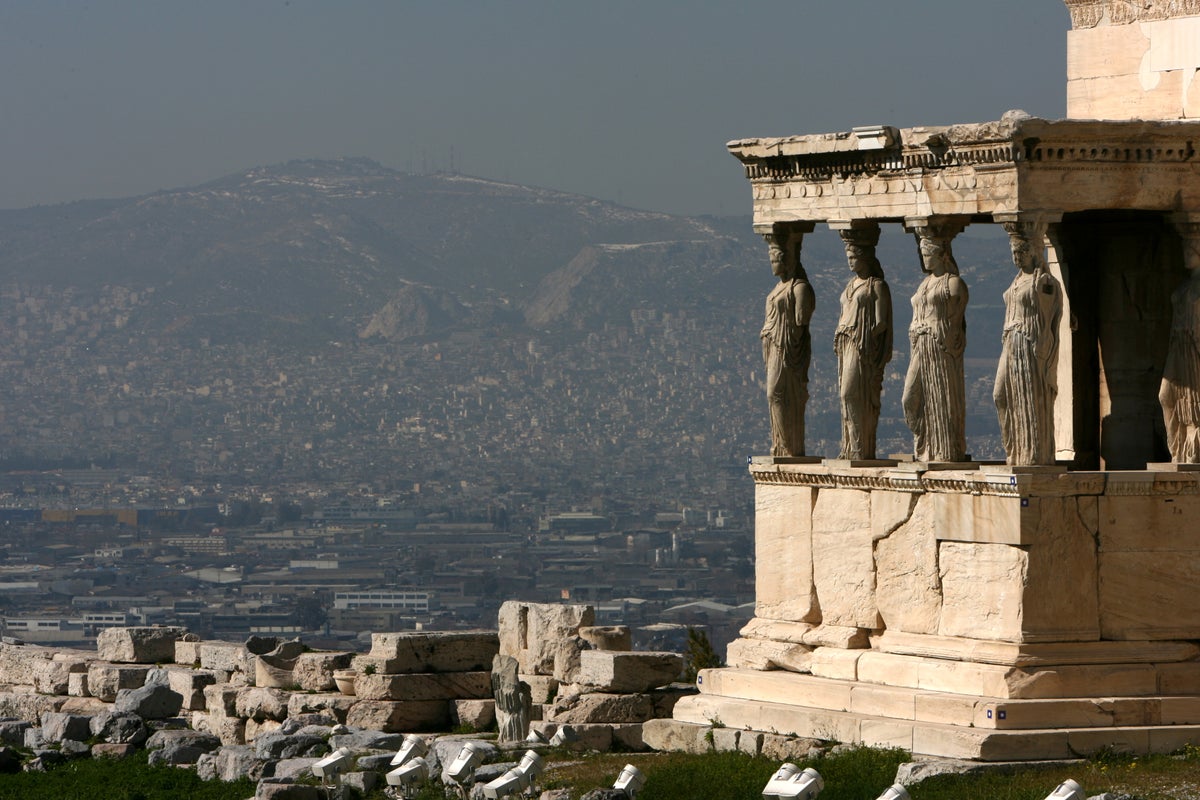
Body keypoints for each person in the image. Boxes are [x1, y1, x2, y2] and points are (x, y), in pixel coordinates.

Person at [994, 222, 1062, 465]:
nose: (1016, 257)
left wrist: (1043, 347)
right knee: (1000, 395)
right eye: (1014, 252)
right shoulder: (1016, 281)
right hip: (1011, 342)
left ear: (1033, 252)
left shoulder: (1043, 282)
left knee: (1031, 398)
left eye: (1020, 252)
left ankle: (1033, 454)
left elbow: (1049, 318)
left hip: (1030, 344)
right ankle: (1014, 450)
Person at [902, 232, 969, 462]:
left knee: (942, 398)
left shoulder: (954, 284)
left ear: (943, 255)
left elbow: (958, 323)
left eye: (929, 254)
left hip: (940, 348)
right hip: (920, 346)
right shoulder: (924, 284)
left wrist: (948, 339)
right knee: (909, 399)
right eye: (923, 254)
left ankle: (944, 448)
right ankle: (925, 442)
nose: (925, 259)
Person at [835, 230, 892, 460]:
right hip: (845, 344)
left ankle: (861, 448)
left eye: (854, 257)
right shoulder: (850, 285)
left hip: (862, 345)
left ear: (865, 257)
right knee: (844, 396)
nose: (850, 261)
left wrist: (864, 338)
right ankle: (849, 448)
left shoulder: (876, 286)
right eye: (848, 257)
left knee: (852, 393)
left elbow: (881, 323)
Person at [761, 232, 815, 457]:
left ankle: (789, 446)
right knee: (774, 395)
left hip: (788, 349)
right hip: (773, 347)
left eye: (776, 260)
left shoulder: (799, 287)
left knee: (777, 393)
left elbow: (802, 321)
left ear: (786, 260)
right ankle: (781, 445)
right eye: (771, 260)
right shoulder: (775, 291)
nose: (772, 265)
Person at [1160, 231, 1200, 463]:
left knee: (1193, 402)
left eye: (1190, 250)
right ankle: (1178, 449)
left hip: (1193, 349)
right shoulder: (1186, 285)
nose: (1185, 255)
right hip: (1178, 346)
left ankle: (1191, 451)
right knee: (1165, 395)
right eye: (1185, 250)